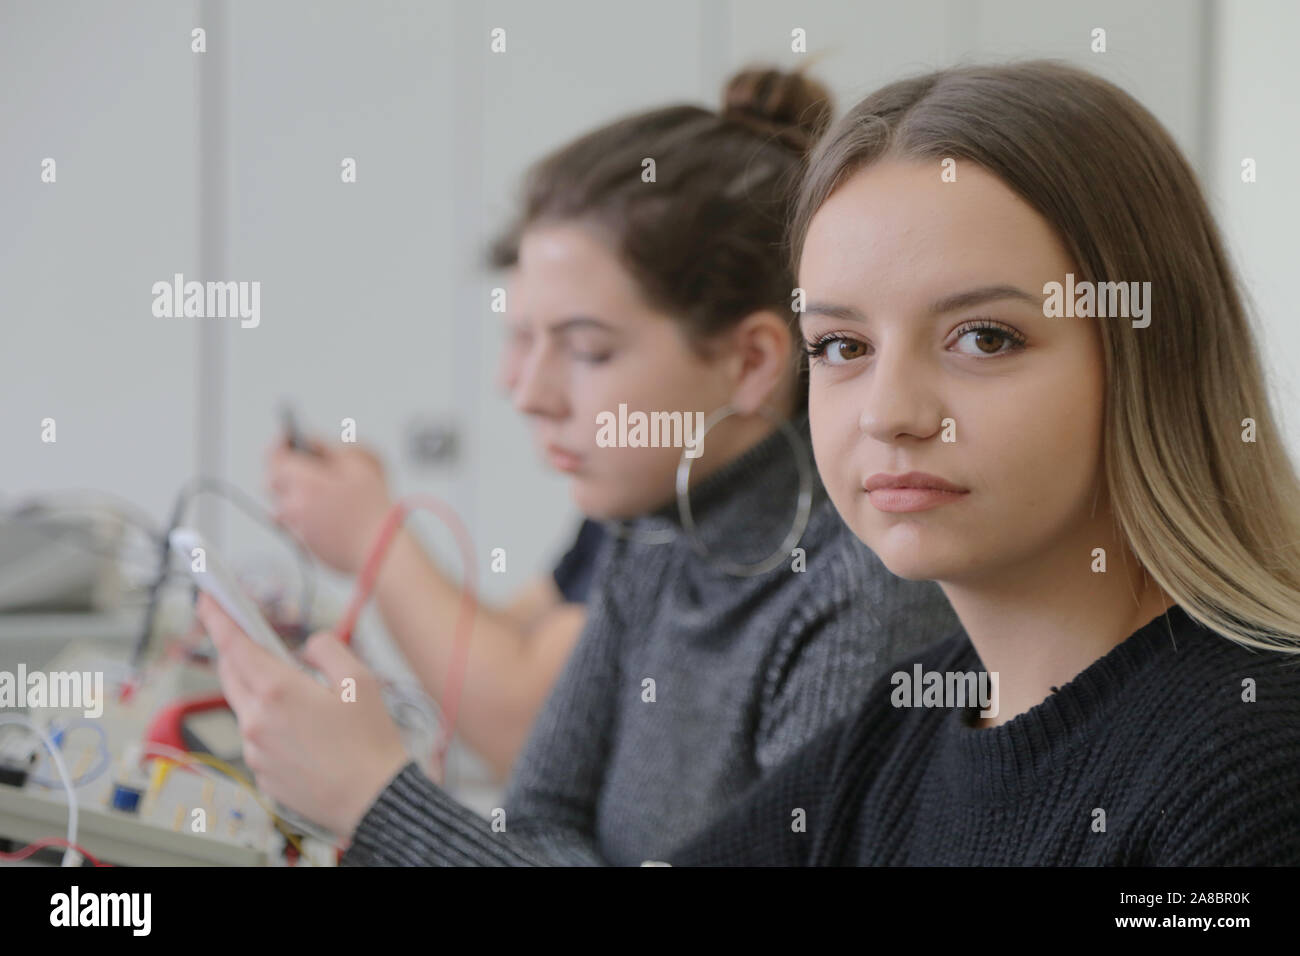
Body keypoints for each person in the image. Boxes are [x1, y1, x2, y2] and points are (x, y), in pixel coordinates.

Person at [196, 65, 960, 866]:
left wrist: (374, 799)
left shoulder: (867, 589)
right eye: (521, 338)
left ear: (751, 361)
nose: (524, 391)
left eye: (587, 348)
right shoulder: (656, 528)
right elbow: (538, 817)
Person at [665, 60, 1300, 866]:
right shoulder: (908, 724)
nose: (889, 412)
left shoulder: (1256, 768)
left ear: (1152, 357)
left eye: (985, 337)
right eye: (842, 346)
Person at [266, 438, 606, 781]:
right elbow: (515, 633)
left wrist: (370, 530)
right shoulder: (607, 518)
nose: (515, 387)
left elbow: (531, 729)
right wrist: (368, 519)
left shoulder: (649, 516)